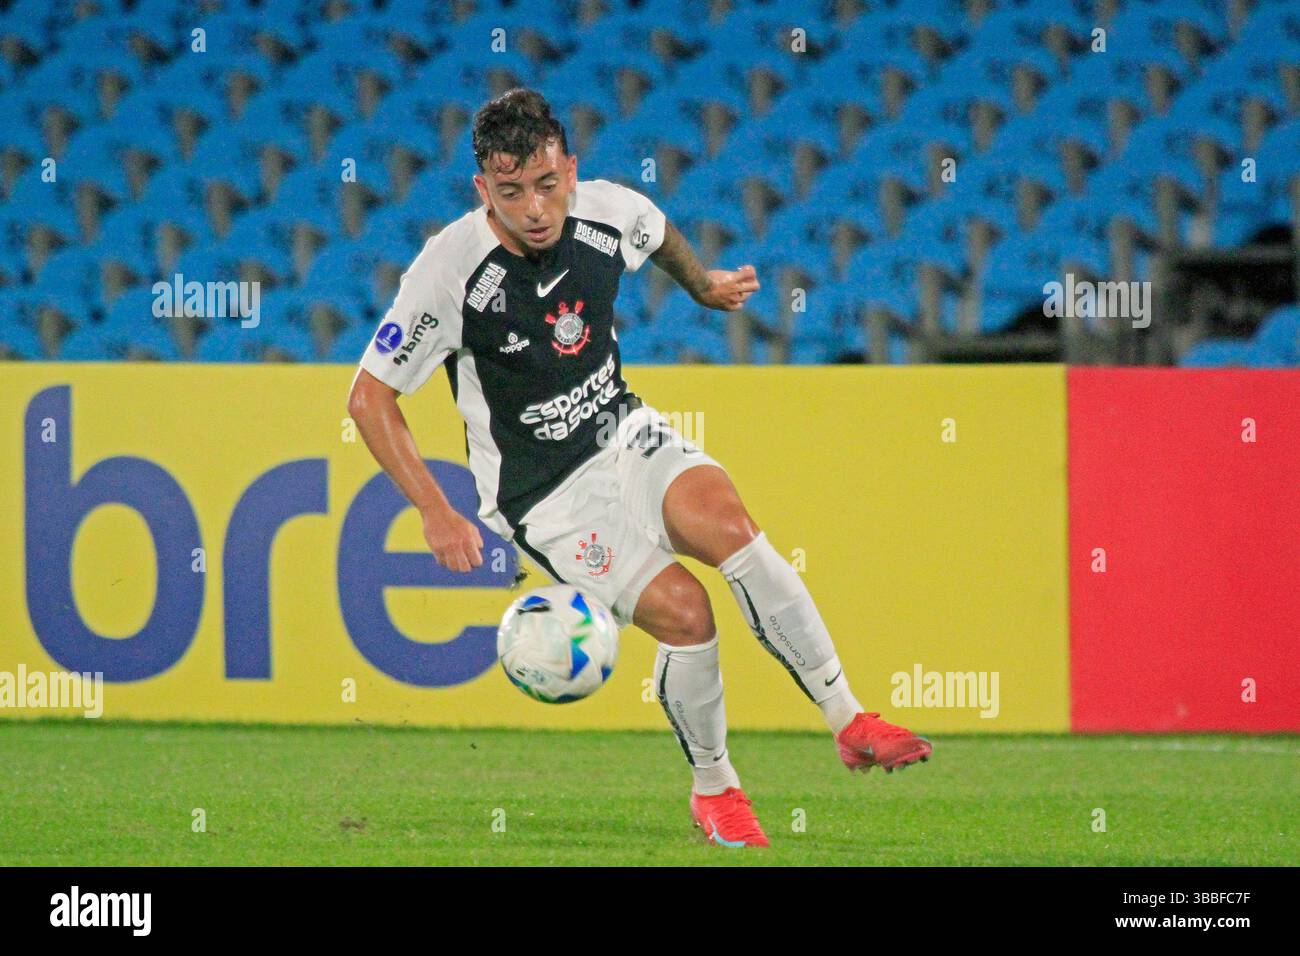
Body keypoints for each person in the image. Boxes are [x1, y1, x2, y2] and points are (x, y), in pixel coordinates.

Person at [347, 88, 932, 848]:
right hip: (543, 495)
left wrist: (704, 285)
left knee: (733, 528)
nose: (535, 208)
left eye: (548, 184)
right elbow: (369, 399)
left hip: (621, 428)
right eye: (512, 192)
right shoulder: (449, 271)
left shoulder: (607, 210)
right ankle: (715, 788)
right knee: (689, 617)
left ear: (571, 170)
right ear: (482, 189)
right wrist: (435, 509)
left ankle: (848, 720)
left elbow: (653, 231)